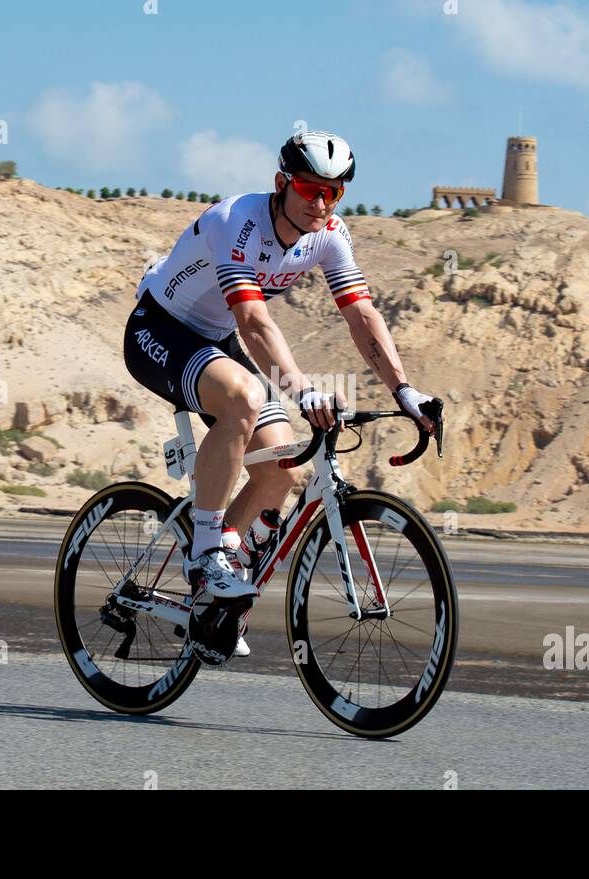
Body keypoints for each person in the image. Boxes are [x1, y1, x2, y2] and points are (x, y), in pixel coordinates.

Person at [122, 130, 436, 662]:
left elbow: (361, 314)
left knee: (284, 468)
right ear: (281, 183)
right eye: (310, 188)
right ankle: (205, 553)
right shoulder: (237, 222)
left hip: (213, 338)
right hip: (160, 328)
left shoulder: (330, 235)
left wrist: (404, 390)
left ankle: (214, 588)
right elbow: (253, 320)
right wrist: (304, 390)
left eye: (332, 193)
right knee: (244, 399)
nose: (319, 203)